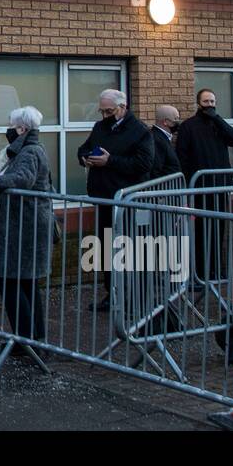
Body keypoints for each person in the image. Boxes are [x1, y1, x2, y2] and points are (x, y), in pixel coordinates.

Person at [0, 106, 52, 342]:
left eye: (11, 124)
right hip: (24, 224)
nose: (7, 129)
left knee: (10, 280)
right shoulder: (31, 149)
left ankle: (26, 340)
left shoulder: (29, 152)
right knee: (25, 282)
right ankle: (32, 338)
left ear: (22, 128)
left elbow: (23, 179)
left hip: (22, 227)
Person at [77, 89, 154, 310]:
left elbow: (144, 164)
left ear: (122, 108)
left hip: (126, 201)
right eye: (101, 111)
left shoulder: (140, 131)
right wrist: (85, 158)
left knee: (128, 250)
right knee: (106, 250)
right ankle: (112, 294)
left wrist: (110, 161)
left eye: (108, 111)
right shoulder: (100, 127)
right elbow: (83, 148)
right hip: (103, 198)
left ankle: (133, 299)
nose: (104, 115)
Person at [174, 88, 233, 285]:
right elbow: (182, 156)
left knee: (218, 227)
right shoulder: (189, 126)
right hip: (199, 186)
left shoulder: (218, 124)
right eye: (206, 101)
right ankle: (201, 271)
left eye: (212, 101)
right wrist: (187, 185)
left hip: (220, 186)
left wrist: (217, 119)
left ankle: (215, 269)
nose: (210, 105)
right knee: (202, 230)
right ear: (198, 103)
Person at [151, 104, 182, 180]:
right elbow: (156, 169)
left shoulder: (161, 137)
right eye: (176, 118)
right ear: (165, 122)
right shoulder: (157, 140)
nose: (178, 122)